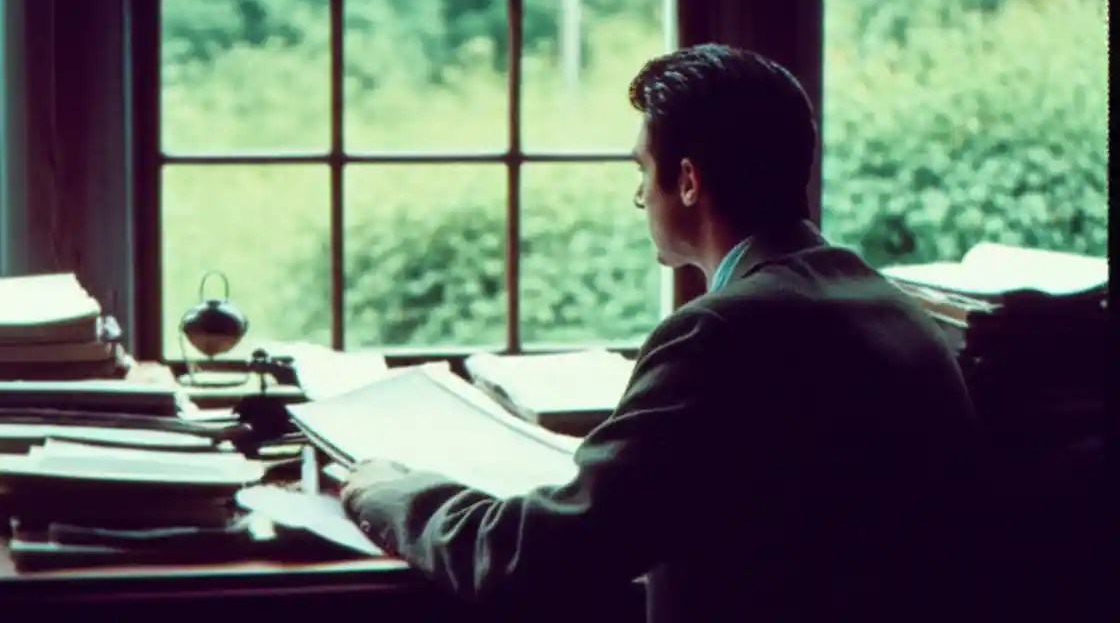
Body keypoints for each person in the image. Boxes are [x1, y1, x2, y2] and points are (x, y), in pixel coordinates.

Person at [339, 44, 980, 622]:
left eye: (644, 171)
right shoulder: (892, 308)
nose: (641, 195)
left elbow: (529, 560)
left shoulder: (723, 334)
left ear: (690, 180)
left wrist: (389, 493)